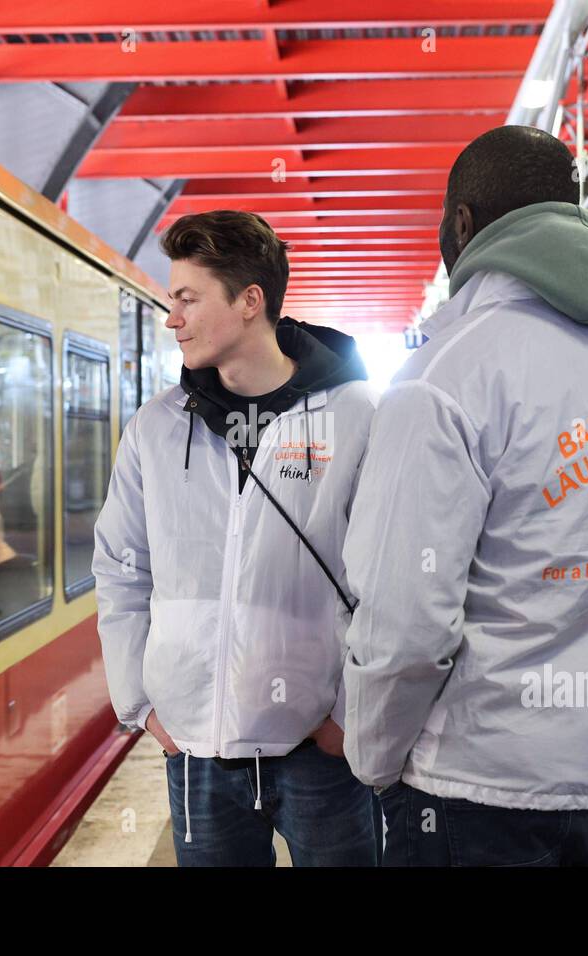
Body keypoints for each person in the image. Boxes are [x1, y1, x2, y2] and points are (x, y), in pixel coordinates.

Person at [340, 126, 588, 867]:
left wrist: (374, 760)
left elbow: (405, 625)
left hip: (480, 793)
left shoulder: (445, 377)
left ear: (462, 225)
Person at [93, 210, 379, 866]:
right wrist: (142, 707)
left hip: (318, 754)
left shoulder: (355, 417)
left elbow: (388, 582)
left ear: (250, 302)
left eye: (187, 299)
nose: (172, 318)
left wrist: (346, 717)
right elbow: (120, 567)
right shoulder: (156, 429)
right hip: (196, 753)